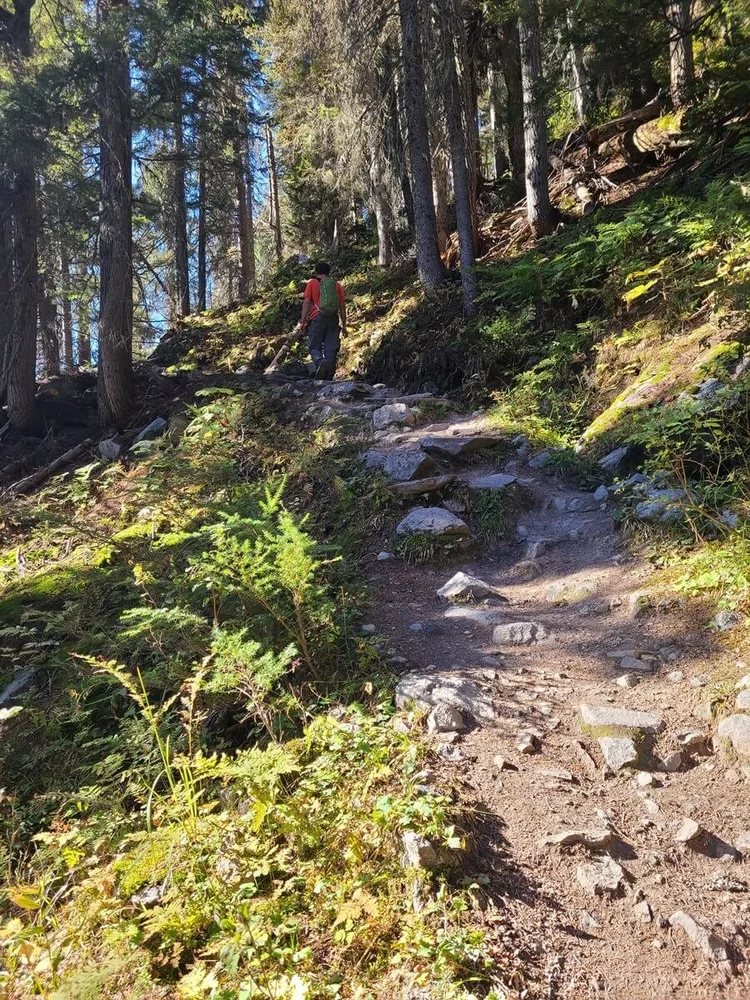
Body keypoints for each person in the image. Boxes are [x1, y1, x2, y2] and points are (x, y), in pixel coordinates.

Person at [299, 262, 347, 380]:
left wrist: (303, 321)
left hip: (317, 317)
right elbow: (341, 305)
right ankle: (329, 376)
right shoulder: (336, 285)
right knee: (331, 347)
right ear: (328, 272)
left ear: (316, 271)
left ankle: (320, 362)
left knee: (314, 346)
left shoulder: (312, 283)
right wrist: (344, 325)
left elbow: (306, 302)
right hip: (333, 318)